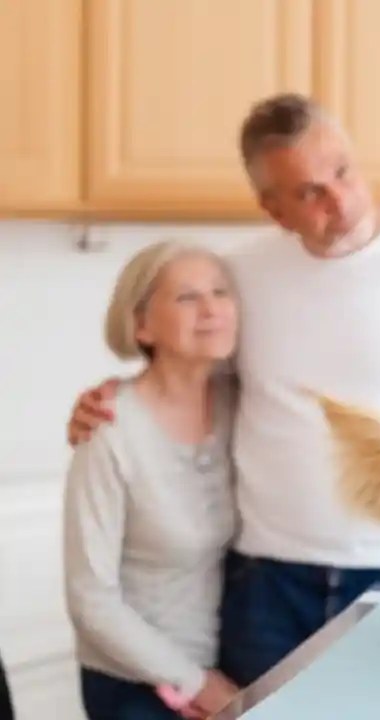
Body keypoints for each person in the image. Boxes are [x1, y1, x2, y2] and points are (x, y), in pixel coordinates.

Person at [65, 93, 380, 689]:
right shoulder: (244, 275)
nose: (339, 199)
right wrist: (111, 397)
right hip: (268, 585)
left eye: (342, 171)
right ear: (273, 208)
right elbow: (191, 371)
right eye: (309, 192)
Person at [63, 241, 241, 719]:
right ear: (141, 325)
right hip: (134, 680)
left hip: (224, 666)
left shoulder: (240, 405)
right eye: (187, 298)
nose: (211, 309)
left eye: (221, 292)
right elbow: (90, 599)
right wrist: (194, 682)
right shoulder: (108, 428)